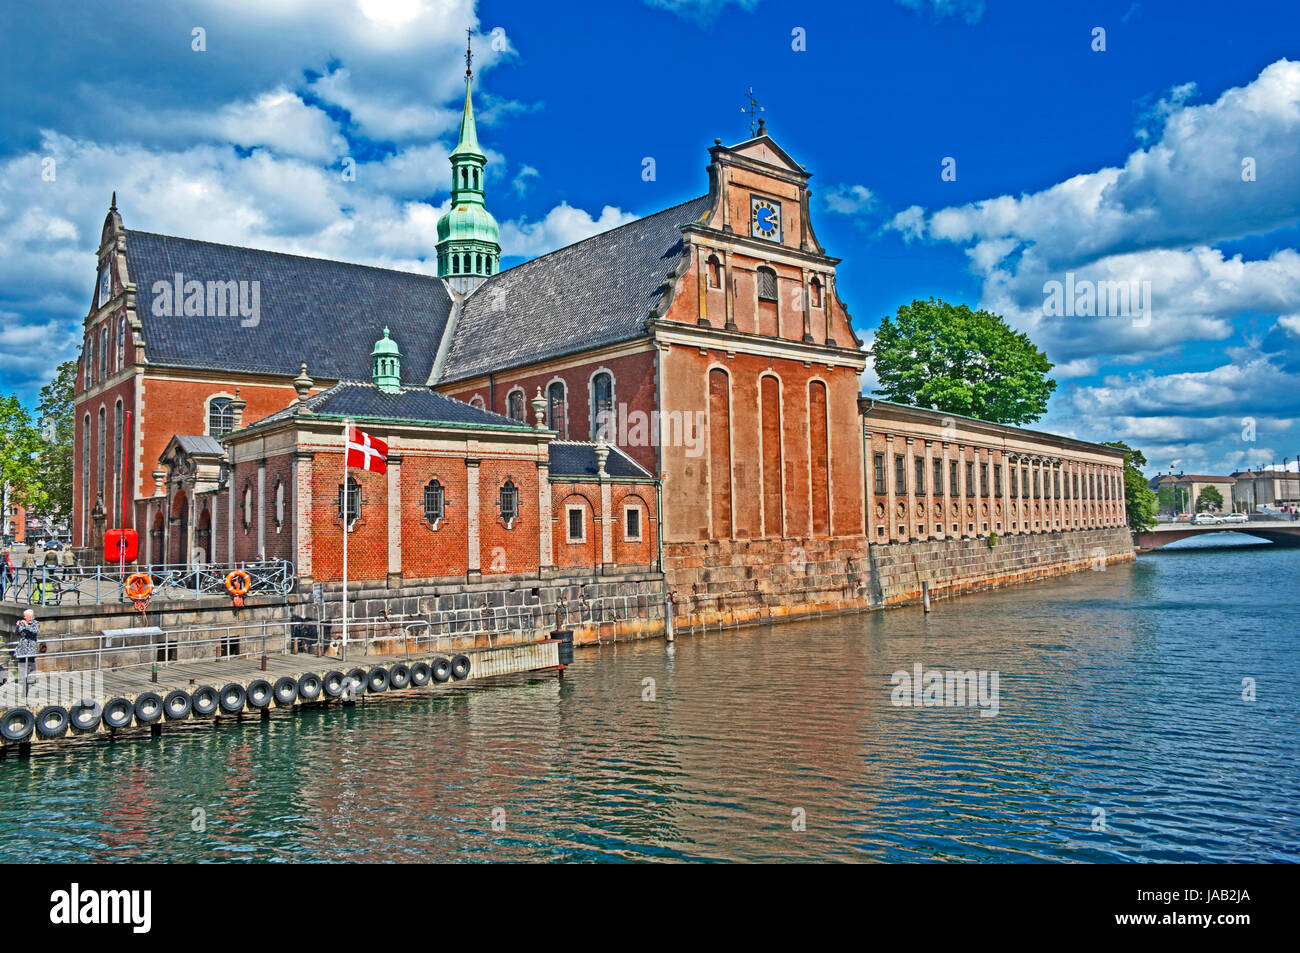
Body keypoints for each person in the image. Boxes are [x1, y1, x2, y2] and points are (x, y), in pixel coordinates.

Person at [12, 609, 39, 692]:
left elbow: (34, 631)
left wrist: (27, 625)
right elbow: (18, 633)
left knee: (31, 662)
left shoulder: (36, 623)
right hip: (22, 646)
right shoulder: (22, 623)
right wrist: (17, 626)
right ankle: (22, 679)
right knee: (21, 662)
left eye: (25, 616)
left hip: (30, 646)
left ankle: (31, 679)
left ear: (30, 616)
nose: (24, 617)